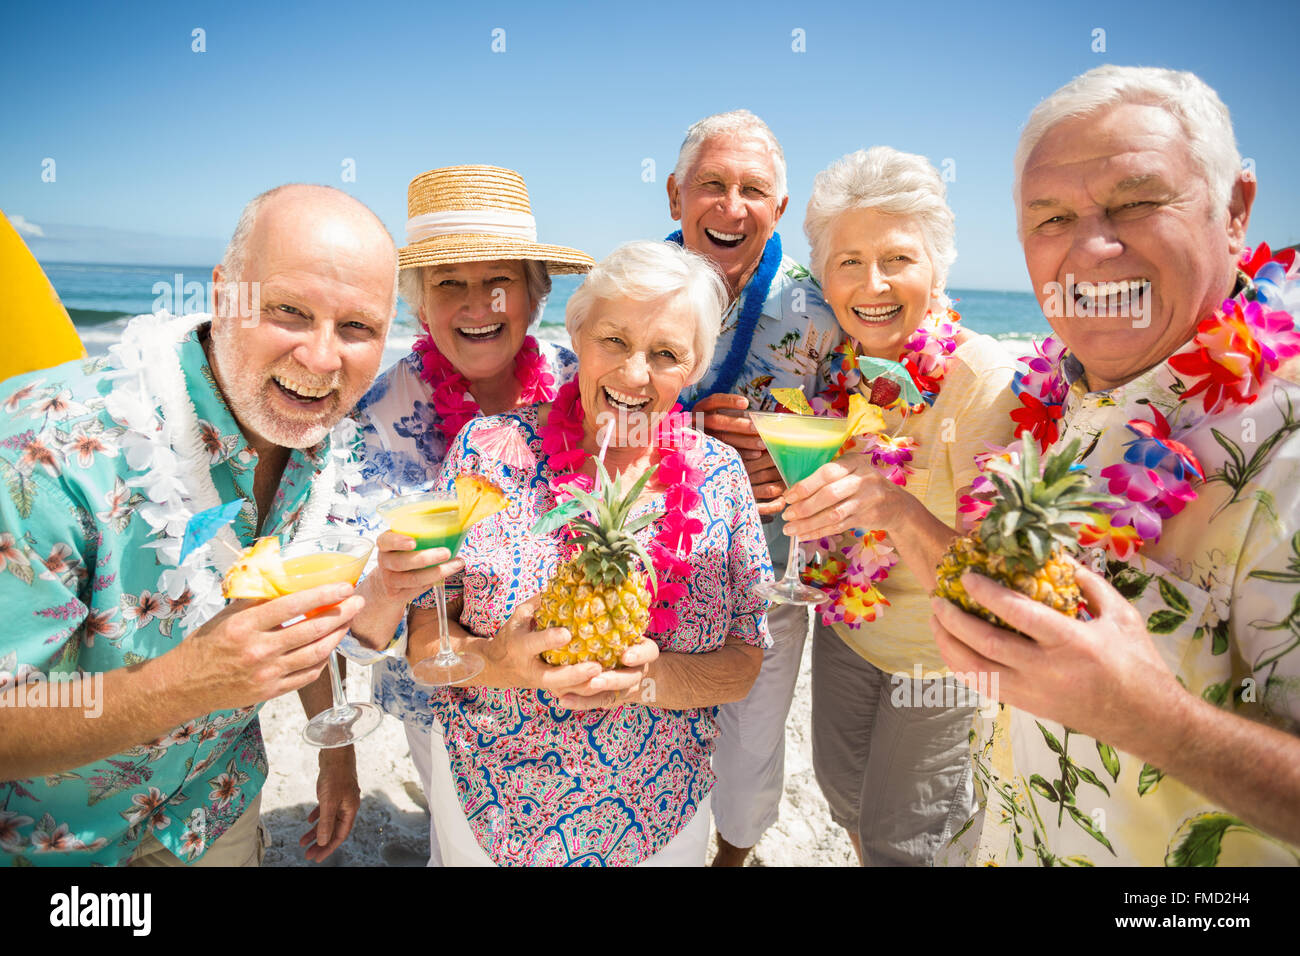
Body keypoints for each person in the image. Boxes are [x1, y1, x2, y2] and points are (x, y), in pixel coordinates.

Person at [930, 65, 1300, 865]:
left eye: (1136, 202)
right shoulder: (1056, 398)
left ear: (1236, 211)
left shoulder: (1287, 449)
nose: (1091, 250)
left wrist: (1155, 720)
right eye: (1052, 217)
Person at [0, 184, 397, 866]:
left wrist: (334, 747)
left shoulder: (334, 445)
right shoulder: (44, 455)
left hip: (217, 808)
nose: (323, 357)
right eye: (290, 312)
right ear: (224, 294)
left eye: (357, 327)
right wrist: (192, 681)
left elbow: (298, 601)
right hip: (52, 845)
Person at [353, 240, 772, 865]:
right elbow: (422, 651)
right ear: (575, 336)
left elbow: (743, 664)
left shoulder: (720, 478)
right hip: (489, 809)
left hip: (656, 817)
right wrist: (502, 661)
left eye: (665, 354)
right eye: (614, 341)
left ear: (693, 368)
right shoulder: (487, 451)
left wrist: (650, 681)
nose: (635, 374)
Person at [337, 165, 592, 866]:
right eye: (451, 281)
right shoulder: (377, 417)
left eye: (499, 281)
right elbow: (355, 618)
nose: (479, 304)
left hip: (569, 678)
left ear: (535, 295)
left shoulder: (584, 383)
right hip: (439, 690)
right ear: (422, 304)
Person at [777, 147, 1022, 864]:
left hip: (944, 659)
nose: (871, 283)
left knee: (906, 839)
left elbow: (996, 586)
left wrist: (898, 511)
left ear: (938, 269)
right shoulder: (843, 366)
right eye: (848, 261)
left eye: (897, 259)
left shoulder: (984, 381)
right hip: (851, 635)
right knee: (845, 797)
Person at [665, 109, 843, 865]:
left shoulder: (825, 306)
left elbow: (870, 425)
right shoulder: (636, 287)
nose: (731, 208)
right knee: (657, 722)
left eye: (752, 190)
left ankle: (733, 856)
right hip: (653, 557)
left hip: (772, 565)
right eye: (712, 185)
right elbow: (587, 408)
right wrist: (677, 438)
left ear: (780, 207)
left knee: (752, 732)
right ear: (675, 195)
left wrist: (806, 462)